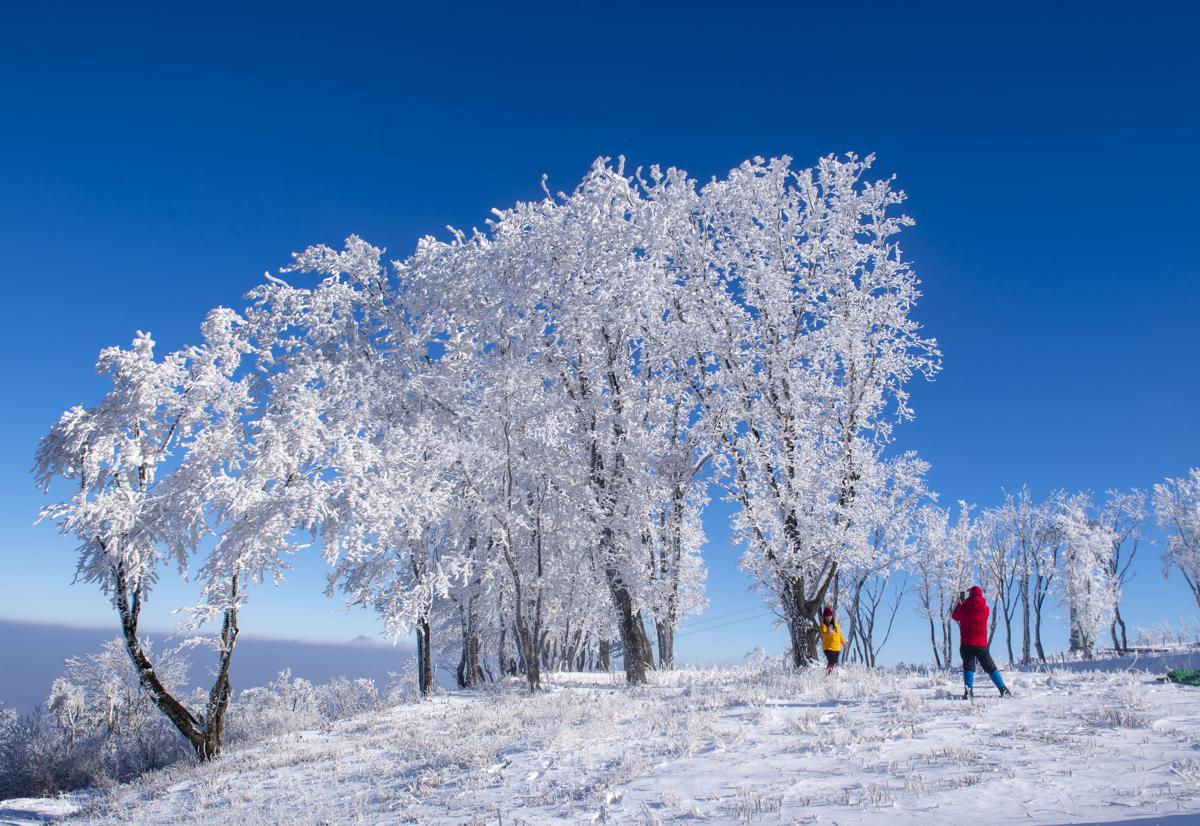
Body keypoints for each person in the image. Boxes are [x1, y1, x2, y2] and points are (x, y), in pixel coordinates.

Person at [951, 585, 1012, 699]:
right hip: (981, 644)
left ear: (970, 595)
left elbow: (955, 616)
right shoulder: (986, 609)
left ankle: (968, 692)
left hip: (967, 643)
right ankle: (1003, 689)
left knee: (968, 667)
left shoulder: (964, 607)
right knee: (991, 667)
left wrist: (960, 604)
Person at [819, 606, 845, 675]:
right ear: (824, 617)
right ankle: (828, 676)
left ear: (832, 616)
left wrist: (844, 643)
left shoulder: (836, 624)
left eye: (830, 616)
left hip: (836, 648)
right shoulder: (823, 625)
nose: (828, 618)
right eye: (826, 617)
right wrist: (828, 633)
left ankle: (827, 677)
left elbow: (840, 635)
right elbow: (823, 634)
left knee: (833, 664)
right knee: (833, 662)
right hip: (828, 648)